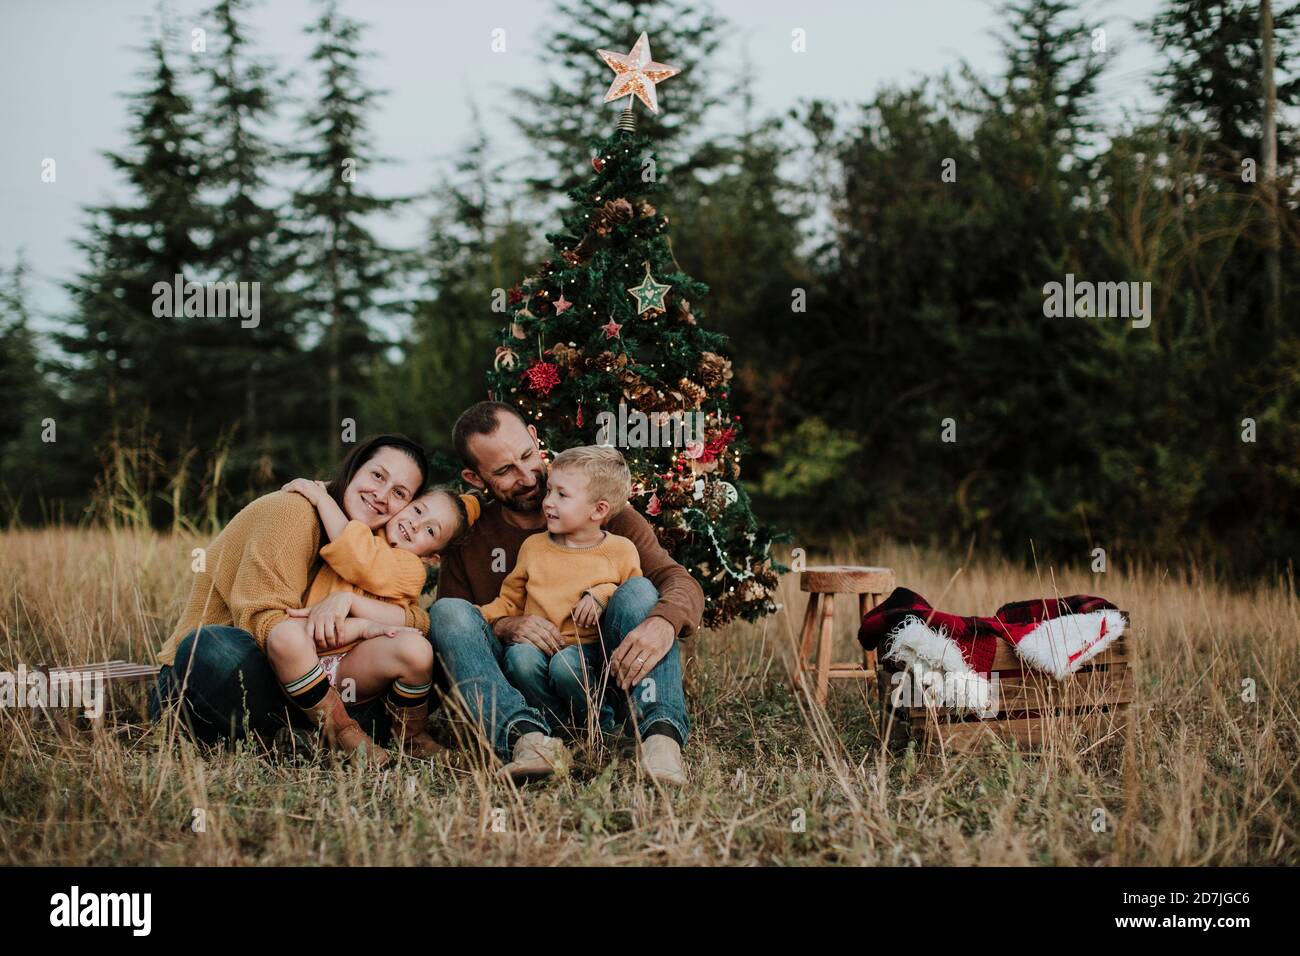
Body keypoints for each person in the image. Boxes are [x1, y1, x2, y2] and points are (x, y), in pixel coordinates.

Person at [431, 402, 704, 785]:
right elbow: (460, 639)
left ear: (533, 437)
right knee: (446, 612)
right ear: (475, 478)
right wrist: (507, 624)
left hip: (602, 676)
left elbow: (679, 581)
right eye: (505, 471)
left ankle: (659, 740)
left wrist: (663, 622)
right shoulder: (470, 540)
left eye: (527, 456)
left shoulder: (606, 516)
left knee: (641, 589)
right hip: (524, 680)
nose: (527, 476)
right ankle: (526, 739)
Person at [150, 435, 431, 753]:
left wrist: (354, 605)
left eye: (399, 493)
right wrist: (354, 628)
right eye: (377, 475)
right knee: (214, 647)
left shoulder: (373, 544)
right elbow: (260, 625)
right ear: (353, 468)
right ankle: (320, 732)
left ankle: (315, 734)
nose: (381, 496)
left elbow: (416, 620)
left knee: (426, 656)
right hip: (227, 677)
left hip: (308, 688)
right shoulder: (294, 511)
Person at [267, 478, 478, 764]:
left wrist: (322, 499)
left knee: (416, 649)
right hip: (302, 661)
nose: (415, 525)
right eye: (417, 511)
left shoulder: (409, 568)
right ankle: (343, 734)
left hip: (350, 667)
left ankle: (410, 737)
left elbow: (361, 557)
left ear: (432, 559)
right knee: (284, 635)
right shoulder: (361, 529)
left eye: (430, 530)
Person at [479, 446, 640, 751]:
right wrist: (480, 616)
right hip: (540, 647)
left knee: (566, 665)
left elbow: (633, 595)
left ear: (598, 510)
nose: (548, 501)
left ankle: (601, 728)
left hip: (589, 650)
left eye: (561, 495)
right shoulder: (534, 548)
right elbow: (510, 600)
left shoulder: (620, 550)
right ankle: (558, 728)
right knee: (518, 658)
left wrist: (600, 596)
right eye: (549, 490)